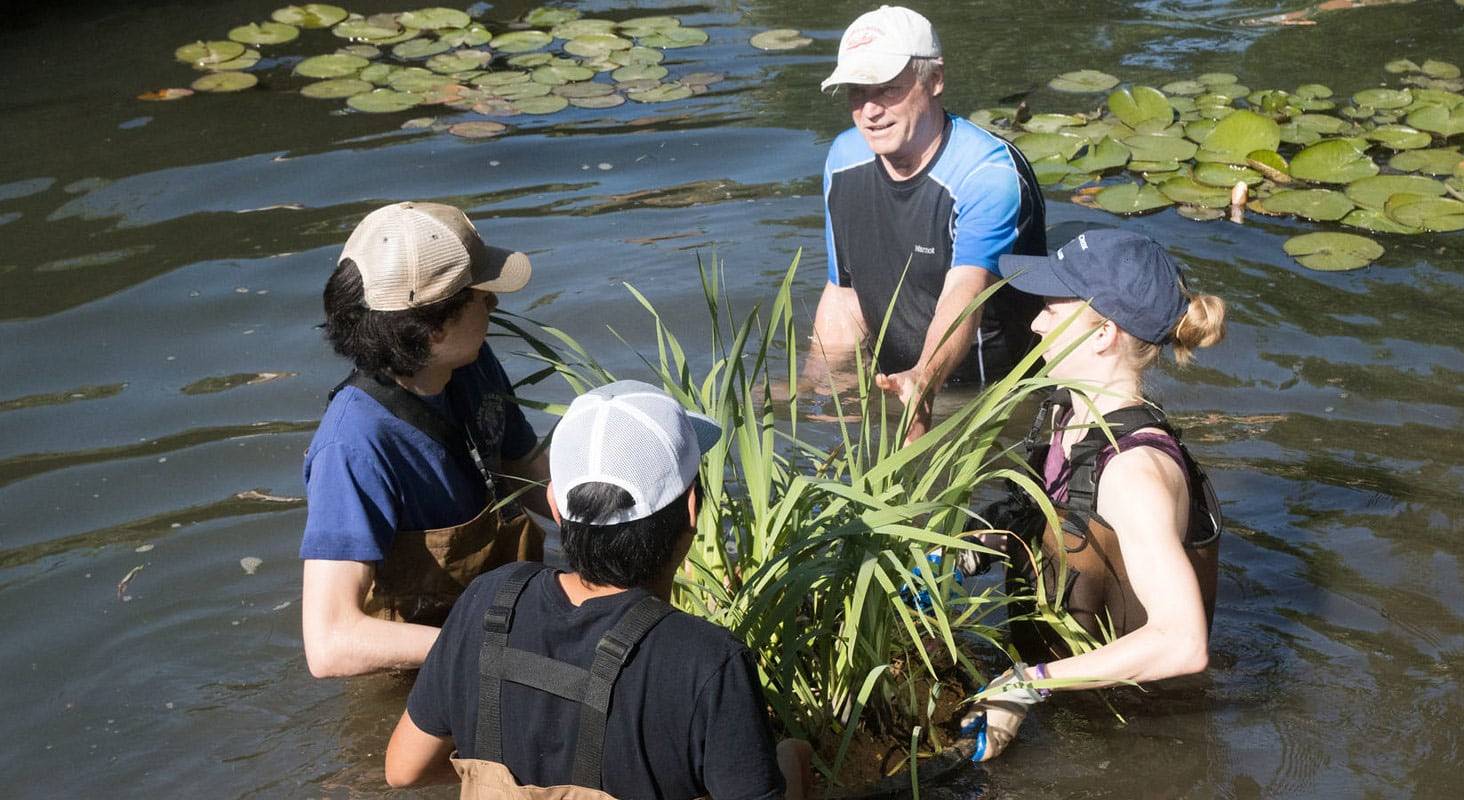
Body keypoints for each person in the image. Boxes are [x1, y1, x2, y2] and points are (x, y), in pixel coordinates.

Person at [386, 380, 812, 799]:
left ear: (555, 505)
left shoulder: (489, 601)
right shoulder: (707, 660)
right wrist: (794, 765)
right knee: (794, 755)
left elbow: (404, 771)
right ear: (691, 510)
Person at [958, 229, 1228, 761]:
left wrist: (1025, 685)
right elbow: (1065, 526)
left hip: (1134, 738)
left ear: (1102, 333)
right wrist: (984, 537)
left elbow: (1183, 642)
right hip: (1062, 700)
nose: (1034, 323)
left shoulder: (1133, 472)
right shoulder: (1064, 413)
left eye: (1052, 311)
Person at [299, 201, 550, 678]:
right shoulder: (352, 445)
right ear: (432, 327)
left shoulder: (471, 361)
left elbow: (525, 466)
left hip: (501, 626)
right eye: (481, 294)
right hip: (420, 669)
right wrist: (496, 654)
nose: (494, 303)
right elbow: (329, 642)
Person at [808, 5, 1046, 440]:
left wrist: (924, 377)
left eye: (888, 89)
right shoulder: (843, 159)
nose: (869, 111)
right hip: (895, 385)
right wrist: (818, 391)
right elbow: (843, 295)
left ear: (935, 79)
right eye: (856, 92)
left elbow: (965, 292)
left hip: (993, 401)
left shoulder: (987, 173)